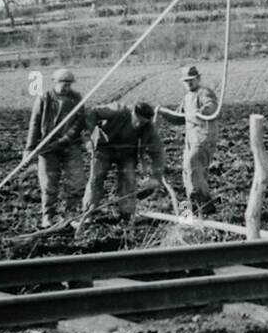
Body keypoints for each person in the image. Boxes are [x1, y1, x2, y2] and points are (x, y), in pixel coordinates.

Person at [81, 101, 167, 222]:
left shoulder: (148, 127)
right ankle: (87, 212)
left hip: (127, 153)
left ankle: (126, 214)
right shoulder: (118, 110)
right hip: (104, 149)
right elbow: (92, 112)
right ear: (132, 112)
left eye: (142, 123)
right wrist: (88, 136)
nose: (139, 125)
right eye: (137, 120)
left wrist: (156, 177)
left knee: (129, 180)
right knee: (96, 178)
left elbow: (157, 152)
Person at [25, 68, 86, 228]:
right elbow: (35, 123)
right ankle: (48, 216)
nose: (66, 87)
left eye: (69, 84)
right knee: (48, 183)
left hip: (71, 146)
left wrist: (64, 141)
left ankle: (71, 215)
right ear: (55, 82)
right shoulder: (44, 98)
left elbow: (78, 124)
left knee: (76, 182)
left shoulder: (76, 99)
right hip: (47, 148)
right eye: (63, 84)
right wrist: (29, 149)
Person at [158, 65, 220, 217]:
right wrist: (163, 112)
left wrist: (201, 111)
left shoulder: (204, 92)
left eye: (191, 80)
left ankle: (202, 206)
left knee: (192, 166)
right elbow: (179, 117)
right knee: (188, 173)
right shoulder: (187, 97)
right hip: (191, 140)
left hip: (204, 137)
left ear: (198, 79)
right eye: (186, 81)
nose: (189, 83)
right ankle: (198, 208)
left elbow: (212, 106)